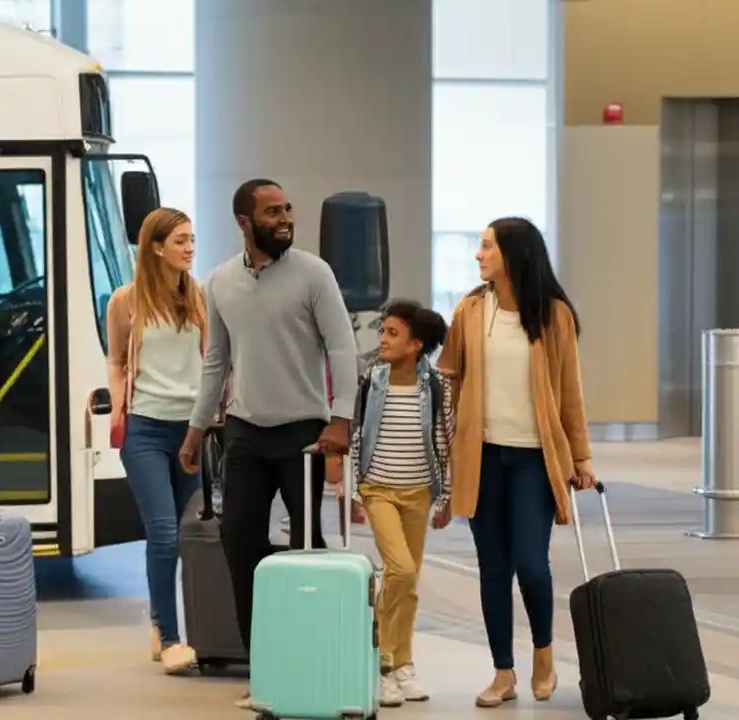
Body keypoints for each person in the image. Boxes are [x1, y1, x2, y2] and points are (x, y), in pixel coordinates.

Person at [179, 179, 357, 709]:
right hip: (245, 434)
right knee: (241, 547)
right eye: (272, 211)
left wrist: (342, 419)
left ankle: (318, 654)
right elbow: (217, 361)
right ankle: (266, 665)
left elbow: (342, 347)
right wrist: (195, 427)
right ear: (244, 223)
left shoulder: (314, 274)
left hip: (305, 433)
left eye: (287, 208)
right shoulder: (221, 281)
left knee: (308, 550)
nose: (284, 218)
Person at [436, 216, 597, 708]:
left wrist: (582, 456)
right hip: (482, 456)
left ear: (513, 254)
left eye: (486, 247)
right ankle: (503, 672)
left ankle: (543, 653)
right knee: (493, 570)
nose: (478, 254)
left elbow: (569, 391)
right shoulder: (468, 311)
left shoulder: (553, 316)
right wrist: (447, 447)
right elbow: (451, 379)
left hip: (533, 459)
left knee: (531, 565)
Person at [106, 206, 207, 675]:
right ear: (156, 247)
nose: (189, 248)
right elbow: (117, 359)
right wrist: (116, 410)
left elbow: (214, 358)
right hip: (145, 429)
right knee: (163, 533)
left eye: (192, 240)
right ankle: (170, 638)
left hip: (192, 429)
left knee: (190, 537)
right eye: (181, 240)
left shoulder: (200, 297)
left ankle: (161, 620)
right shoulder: (125, 301)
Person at [348, 299, 453, 707]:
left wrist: (443, 496)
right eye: (383, 332)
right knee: (401, 568)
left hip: (419, 493)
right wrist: (357, 487)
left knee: (407, 582)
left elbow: (441, 441)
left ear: (416, 345)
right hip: (380, 490)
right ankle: (383, 659)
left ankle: (401, 664)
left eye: (393, 333)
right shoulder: (371, 380)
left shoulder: (436, 386)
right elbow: (359, 434)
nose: (384, 340)